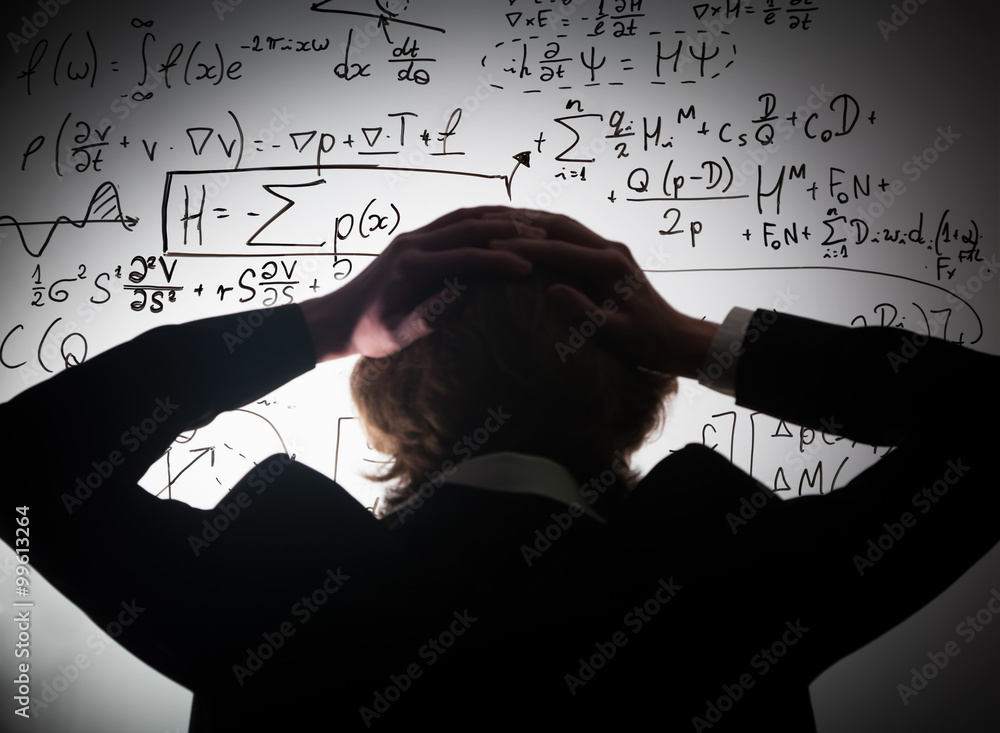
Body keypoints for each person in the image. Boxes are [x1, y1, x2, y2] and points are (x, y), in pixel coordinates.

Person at [3, 206, 996, 731]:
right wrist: (702, 343)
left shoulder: (274, 583)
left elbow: (18, 463)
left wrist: (321, 326)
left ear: (387, 392)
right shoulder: (725, 573)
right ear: (635, 389)